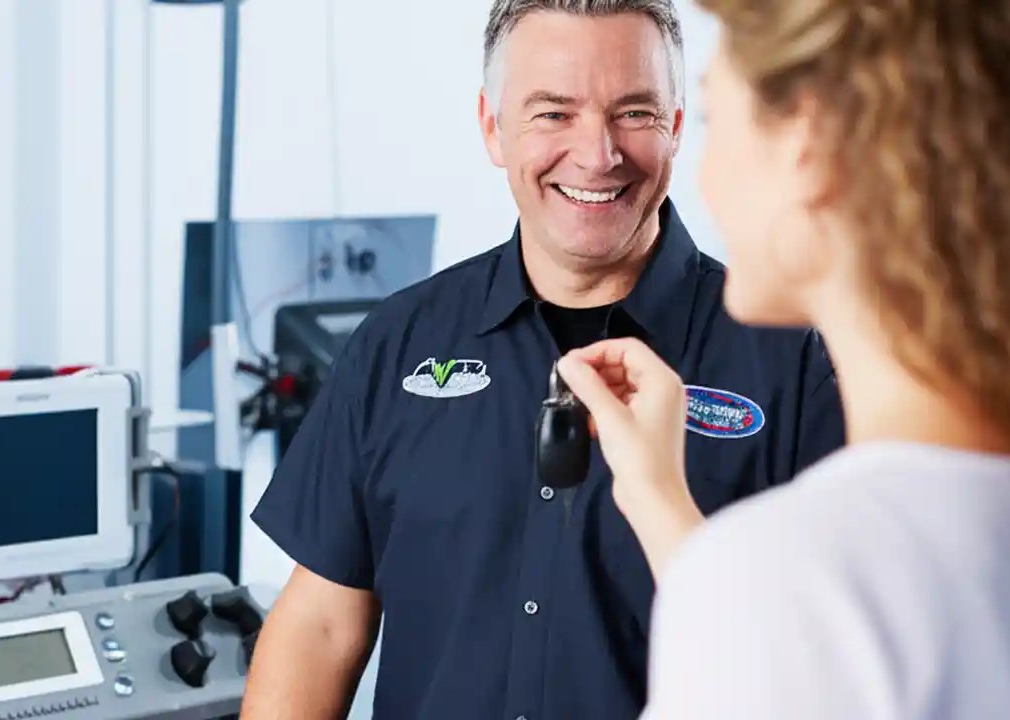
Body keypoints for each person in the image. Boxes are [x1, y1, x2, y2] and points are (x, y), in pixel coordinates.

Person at [241, 1, 846, 718]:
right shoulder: (397, 342)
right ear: (492, 127)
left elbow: (837, 657)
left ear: (677, 125)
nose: (598, 154)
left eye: (634, 112)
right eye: (554, 114)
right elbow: (319, 625)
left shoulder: (795, 359)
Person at [555, 0, 1010, 717]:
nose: (705, 179)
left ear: (807, 144)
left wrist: (732, 583)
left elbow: (794, 622)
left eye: (713, 119)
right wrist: (657, 495)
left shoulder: (793, 584)